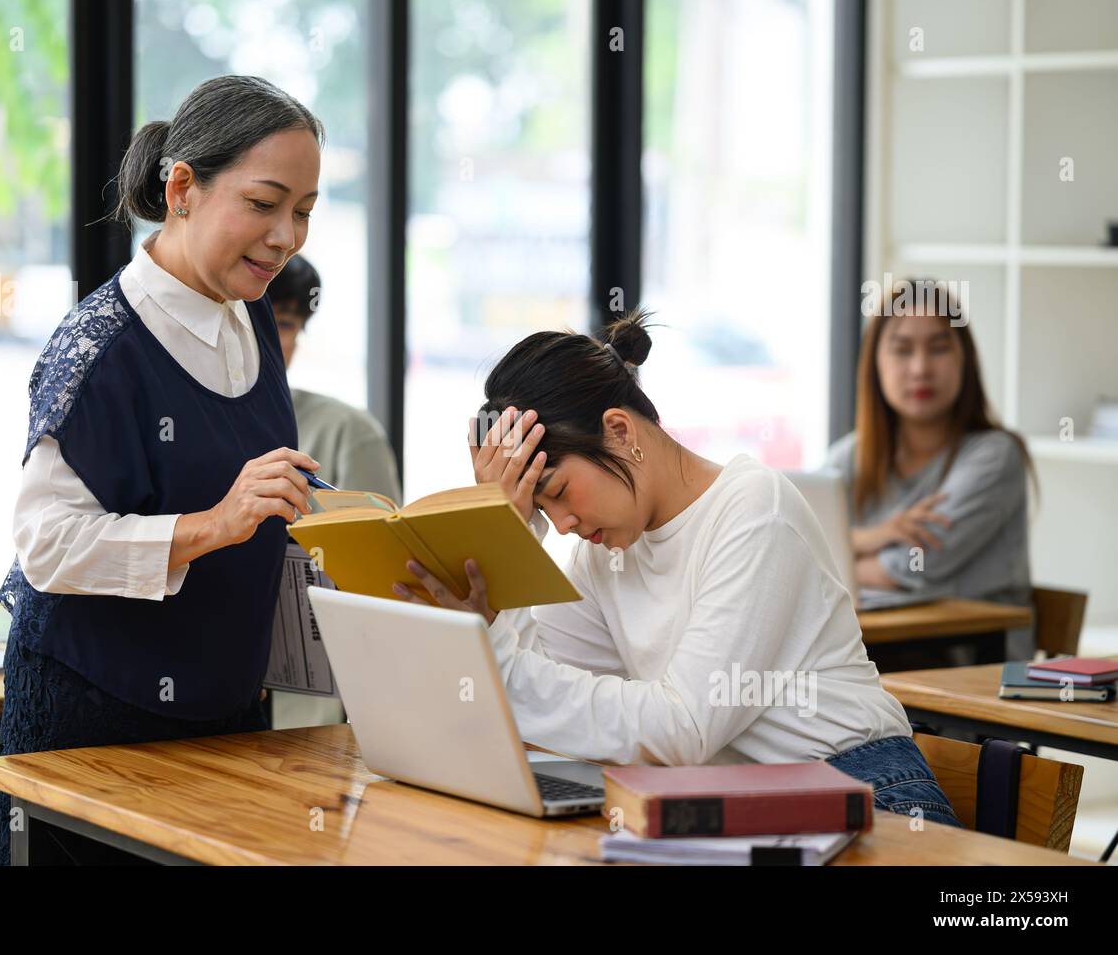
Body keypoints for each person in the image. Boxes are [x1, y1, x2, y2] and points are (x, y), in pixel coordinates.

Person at [391, 309, 962, 827]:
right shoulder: (603, 553)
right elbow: (555, 708)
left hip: (863, 792)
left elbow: (682, 728)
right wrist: (507, 541)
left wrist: (499, 652)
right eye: (541, 511)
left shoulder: (754, 509)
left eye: (558, 492)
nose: (560, 525)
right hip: (728, 802)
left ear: (620, 431)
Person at [0, 75, 325, 864]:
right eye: (264, 203)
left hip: (227, 720)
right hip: (96, 731)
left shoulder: (252, 319)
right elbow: (47, 545)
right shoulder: (100, 345)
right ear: (181, 190)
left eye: (305, 211)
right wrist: (214, 525)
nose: (286, 237)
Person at [824, 278, 1035, 660]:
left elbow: (912, 566)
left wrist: (841, 552)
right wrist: (874, 537)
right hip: (875, 655)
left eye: (938, 348)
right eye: (902, 350)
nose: (920, 368)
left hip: (970, 664)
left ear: (965, 359)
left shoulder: (995, 456)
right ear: (875, 364)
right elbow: (793, 550)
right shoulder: (849, 457)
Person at [269, 255, 402, 504]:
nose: (265, 338)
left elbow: (380, 529)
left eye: (284, 324)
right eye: (249, 323)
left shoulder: (349, 431)